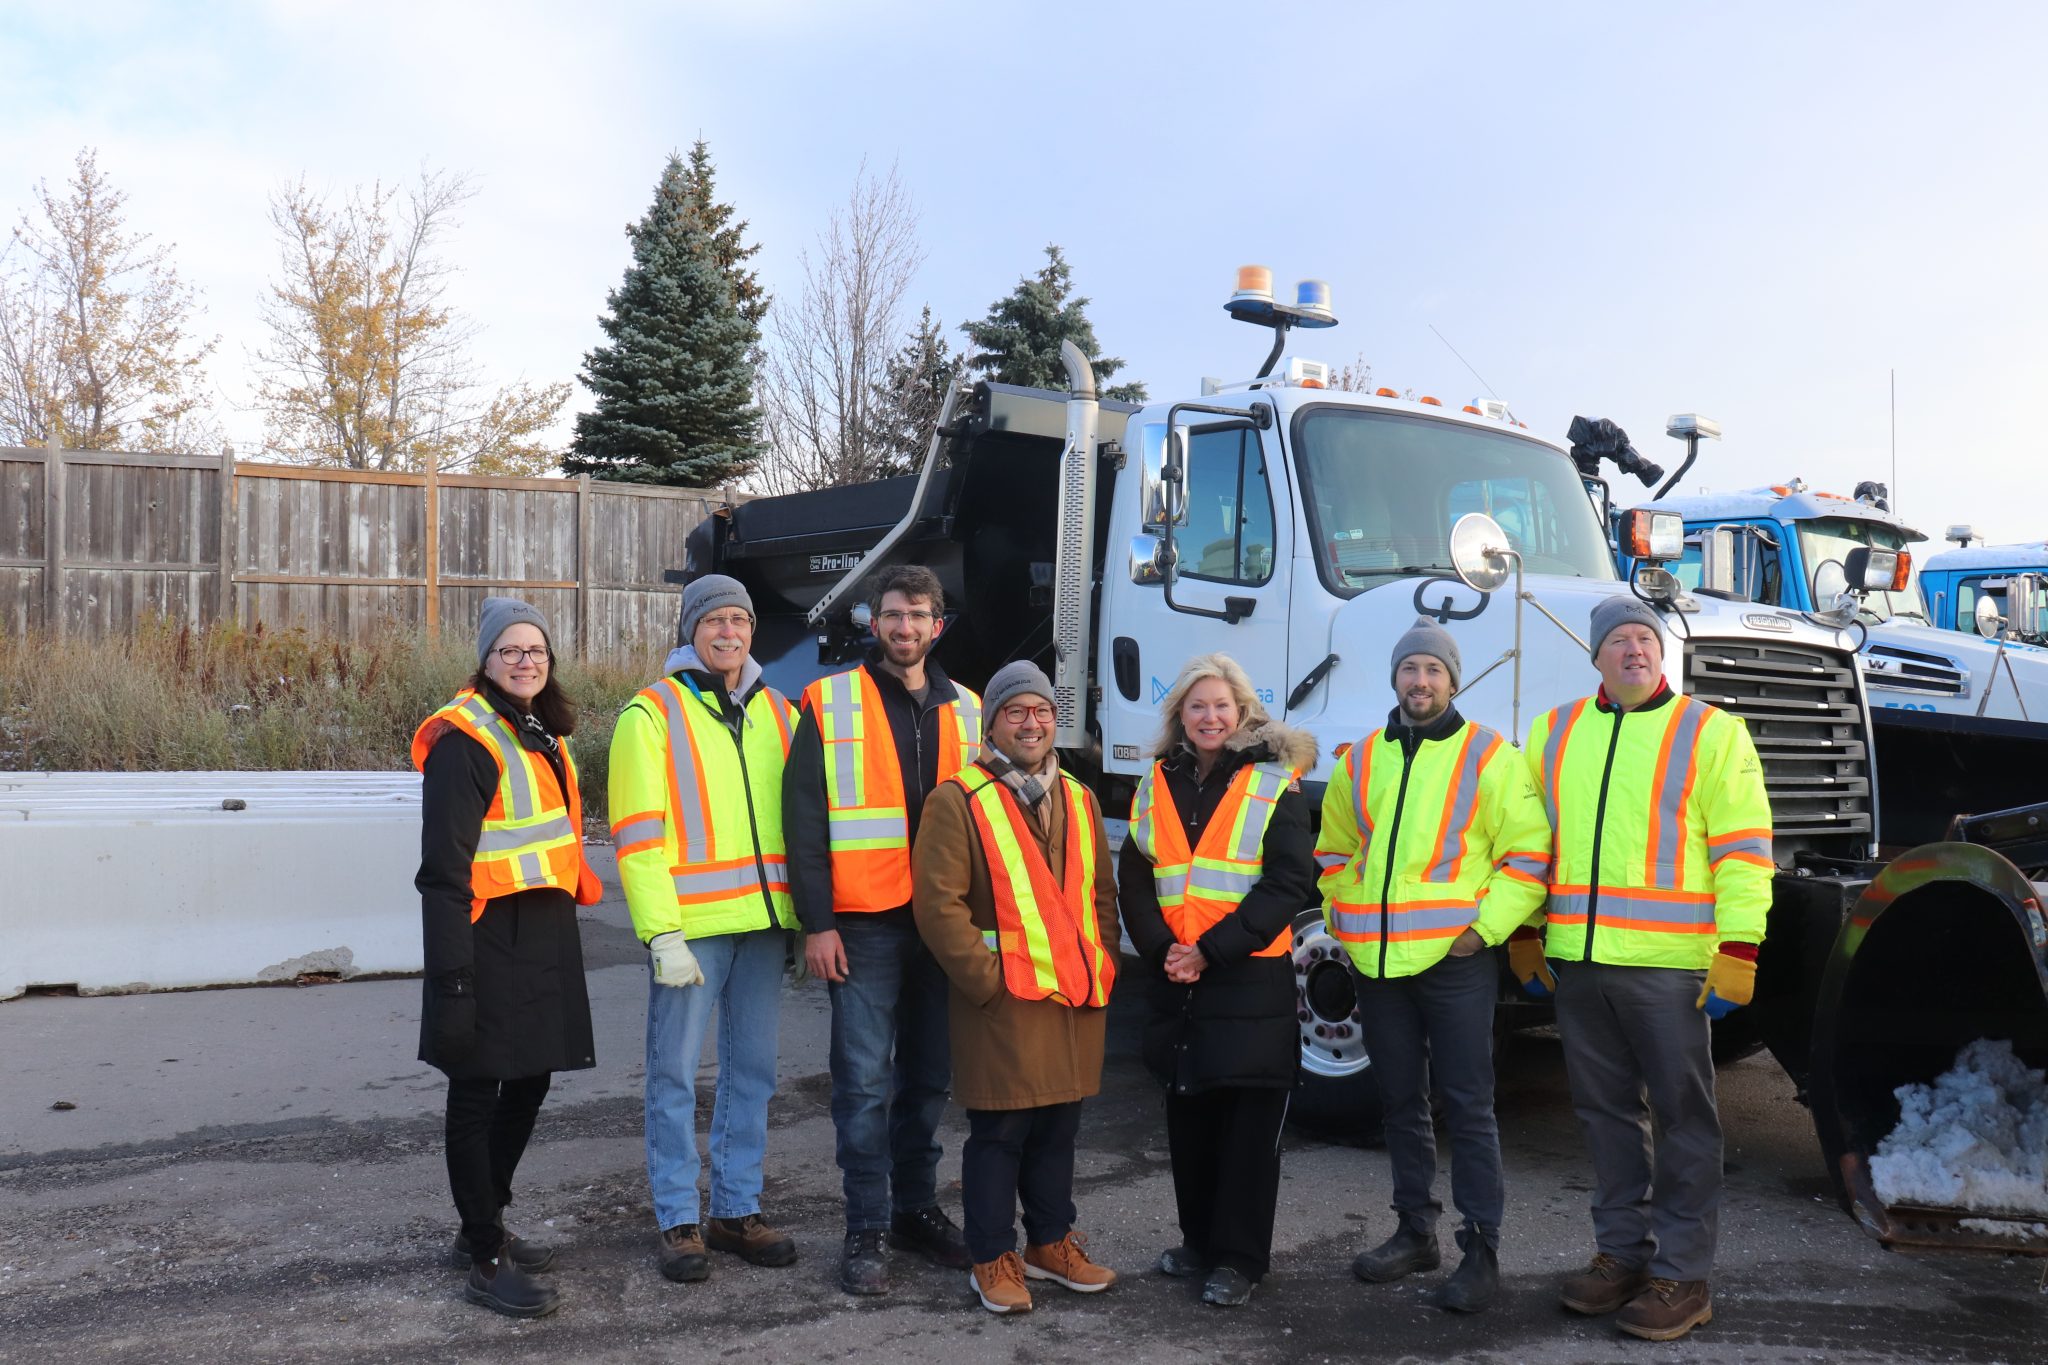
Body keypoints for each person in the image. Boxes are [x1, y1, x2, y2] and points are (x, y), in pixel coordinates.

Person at [1521, 595, 1772, 1342]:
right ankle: (1621, 1257)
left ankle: (1682, 1275)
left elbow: (1744, 851)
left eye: (1645, 639)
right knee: (1604, 1118)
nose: (1634, 649)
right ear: (1595, 656)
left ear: (1661, 655)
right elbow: (1530, 844)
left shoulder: (1710, 731)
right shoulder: (1554, 731)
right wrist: (1527, 931)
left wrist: (1739, 947)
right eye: (1619, 640)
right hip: (1579, 963)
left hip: (1669, 968)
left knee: (1685, 1121)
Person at [1315, 617, 1552, 1314]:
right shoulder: (1360, 759)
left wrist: (1481, 931)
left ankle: (1481, 1247)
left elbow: (1529, 857)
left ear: (1453, 680)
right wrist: (1341, 914)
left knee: (1470, 1104)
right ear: (1396, 677)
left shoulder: (1490, 757)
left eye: (1434, 670)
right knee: (1399, 1101)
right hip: (1378, 962)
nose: (1421, 681)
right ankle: (1416, 1230)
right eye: (1410, 668)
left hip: (1455, 962)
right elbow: (1333, 852)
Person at [786, 564, 982, 1294]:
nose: (905, 628)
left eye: (919, 615)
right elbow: (804, 822)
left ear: (938, 624)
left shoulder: (969, 708)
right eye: (893, 614)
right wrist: (819, 924)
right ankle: (865, 1226)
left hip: (943, 922)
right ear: (874, 619)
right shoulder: (828, 699)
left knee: (929, 1079)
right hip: (862, 926)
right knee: (864, 1084)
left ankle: (915, 1211)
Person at [911, 660, 1122, 1315]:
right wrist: (988, 984)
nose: (1032, 723)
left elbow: (1102, 896)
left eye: (1042, 712)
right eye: (1016, 711)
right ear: (994, 722)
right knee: (1000, 1134)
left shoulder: (1081, 798)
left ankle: (1050, 1242)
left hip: (1072, 1003)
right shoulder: (959, 798)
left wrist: (1103, 961)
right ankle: (992, 1255)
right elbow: (937, 905)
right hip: (1002, 1005)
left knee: (1059, 1127)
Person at [413, 597, 603, 1319]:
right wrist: (453, 977)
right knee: (477, 1089)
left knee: (530, 1080)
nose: (526, 660)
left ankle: (482, 1217)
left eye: (536, 650)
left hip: (542, 928)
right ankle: (485, 1254)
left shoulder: (540, 730)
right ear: (486, 659)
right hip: (487, 935)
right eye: (510, 650)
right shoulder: (467, 740)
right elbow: (444, 871)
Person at [610, 574, 802, 1284]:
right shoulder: (651, 713)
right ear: (690, 631)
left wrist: (806, 917)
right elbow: (637, 836)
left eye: (740, 620)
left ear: (753, 631)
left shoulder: (779, 714)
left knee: (753, 1072)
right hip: (690, 929)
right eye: (714, 620)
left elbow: (803, 823)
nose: (728, 632)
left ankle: (735, 1210)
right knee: (673, 1075)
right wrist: (660, 933)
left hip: (762, 924)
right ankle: (677, 1218)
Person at [1117, 653, 1317, 1308]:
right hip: (1180, 979)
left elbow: (1288, 882)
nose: (1209, 716)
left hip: (1246, 979)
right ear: (1180, 714)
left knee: (1248, 1132)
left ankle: (1240, 1259)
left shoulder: (1271, 784)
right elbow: (1137, 875)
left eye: (1221, 706)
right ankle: (1198, 1241)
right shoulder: (1156, 782)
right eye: (1196, 705)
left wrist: (1209, 950)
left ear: (1241, 713)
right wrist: (1159, 949)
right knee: (1191, 1117)